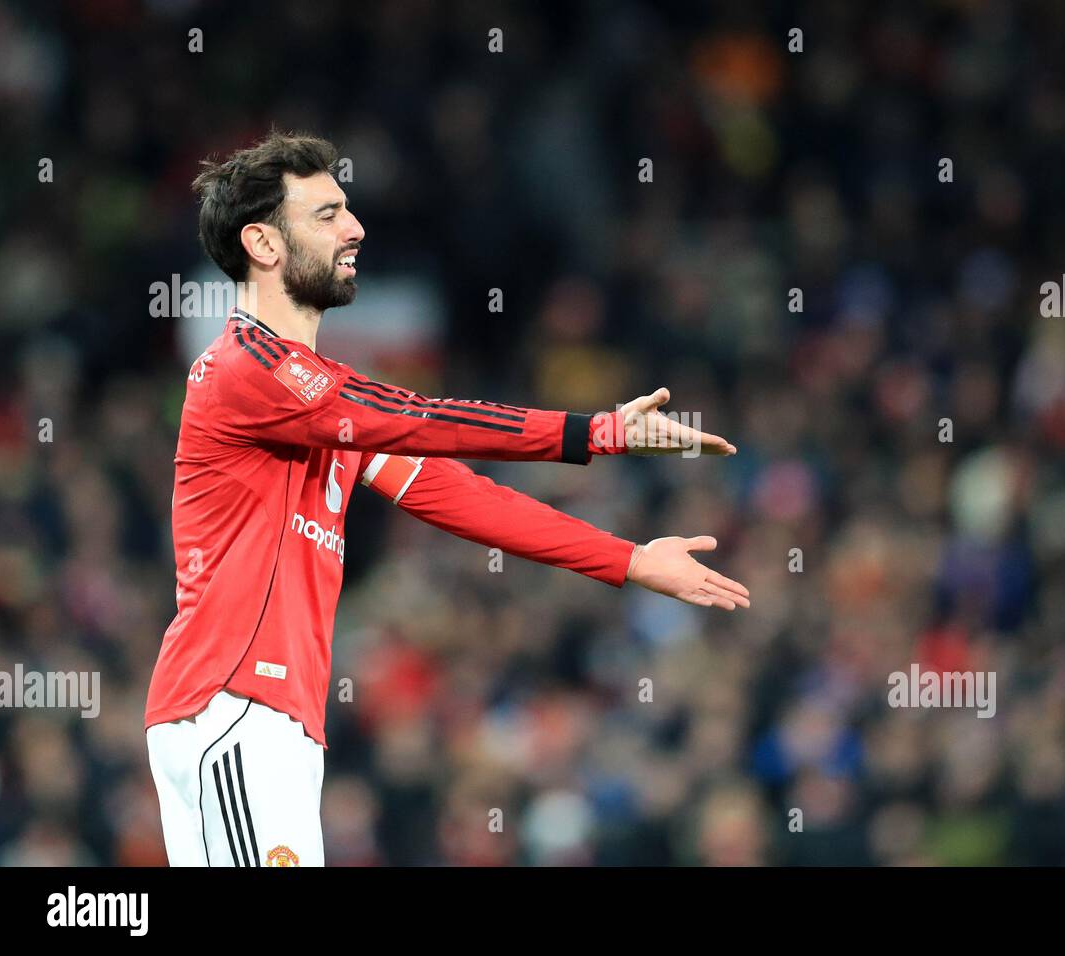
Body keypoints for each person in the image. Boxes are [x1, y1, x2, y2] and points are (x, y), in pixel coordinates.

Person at [144, 131, 750, 866]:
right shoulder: (250, 367)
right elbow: (423, 419)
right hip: (234, 704)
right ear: (264, 245)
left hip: (271, 718)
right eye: (327, 214)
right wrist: (595, 432)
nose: (356, 228)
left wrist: (627, 560)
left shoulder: (312, 396)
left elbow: (457, 495)